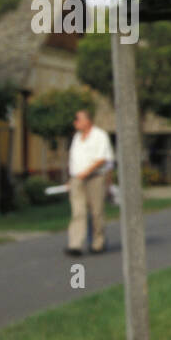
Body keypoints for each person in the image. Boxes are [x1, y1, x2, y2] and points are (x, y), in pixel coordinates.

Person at [66, 109, 114, 256]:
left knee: (96, 212)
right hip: (77, 179)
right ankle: (75, 244)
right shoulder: (76, 138)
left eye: (78, 119)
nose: (75, 122)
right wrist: (72, 178)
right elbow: (74, 160)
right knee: (78, 212)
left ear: (87, 121)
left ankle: (98, 242)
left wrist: (86, 172)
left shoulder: (99, 136)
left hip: (95, 178)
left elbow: (102, 159)